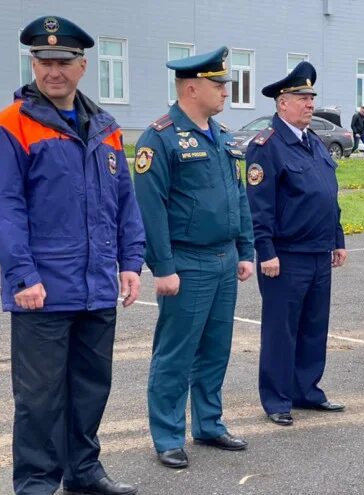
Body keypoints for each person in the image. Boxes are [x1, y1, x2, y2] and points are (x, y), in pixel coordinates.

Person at [0, 16, 145, 495]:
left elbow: (124, 204)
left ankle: (83, 468)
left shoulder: (107, 128)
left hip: (96, 286)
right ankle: (35, 482)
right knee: (39, 394)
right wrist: (22, 275)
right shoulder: (10, 126)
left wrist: (131, 263)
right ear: (33, 64)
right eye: (44, 61)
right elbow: (1, 209)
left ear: (82, 66)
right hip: (42, 291)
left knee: (92, 384)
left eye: (64, 62)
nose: (54, 70)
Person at [134, 47, 254, 468]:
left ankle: (209, 423)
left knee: (216, 349)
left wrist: (246, 249)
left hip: (223, 260)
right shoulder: (161, 136)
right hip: (186, 263)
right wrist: (162, 267)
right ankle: (168, 435)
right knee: (176, 352)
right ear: (191, 87)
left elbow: (239, 198)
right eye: (218, 84)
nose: (226, 91)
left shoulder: (223, 136)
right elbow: (150, 208)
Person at [246, 61, 347, 426]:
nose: (309, 103)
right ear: (281, 102)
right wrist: (266, 251)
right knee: (281, 329)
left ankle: (307, 390)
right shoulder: (267, 146)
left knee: (314, 326)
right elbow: (259, 205)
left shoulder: (313, 143)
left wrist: (337, 239)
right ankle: (276, 399)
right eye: (302, 97)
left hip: (319, 252)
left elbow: (328, 195)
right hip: (286, 257)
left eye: (311, 97)